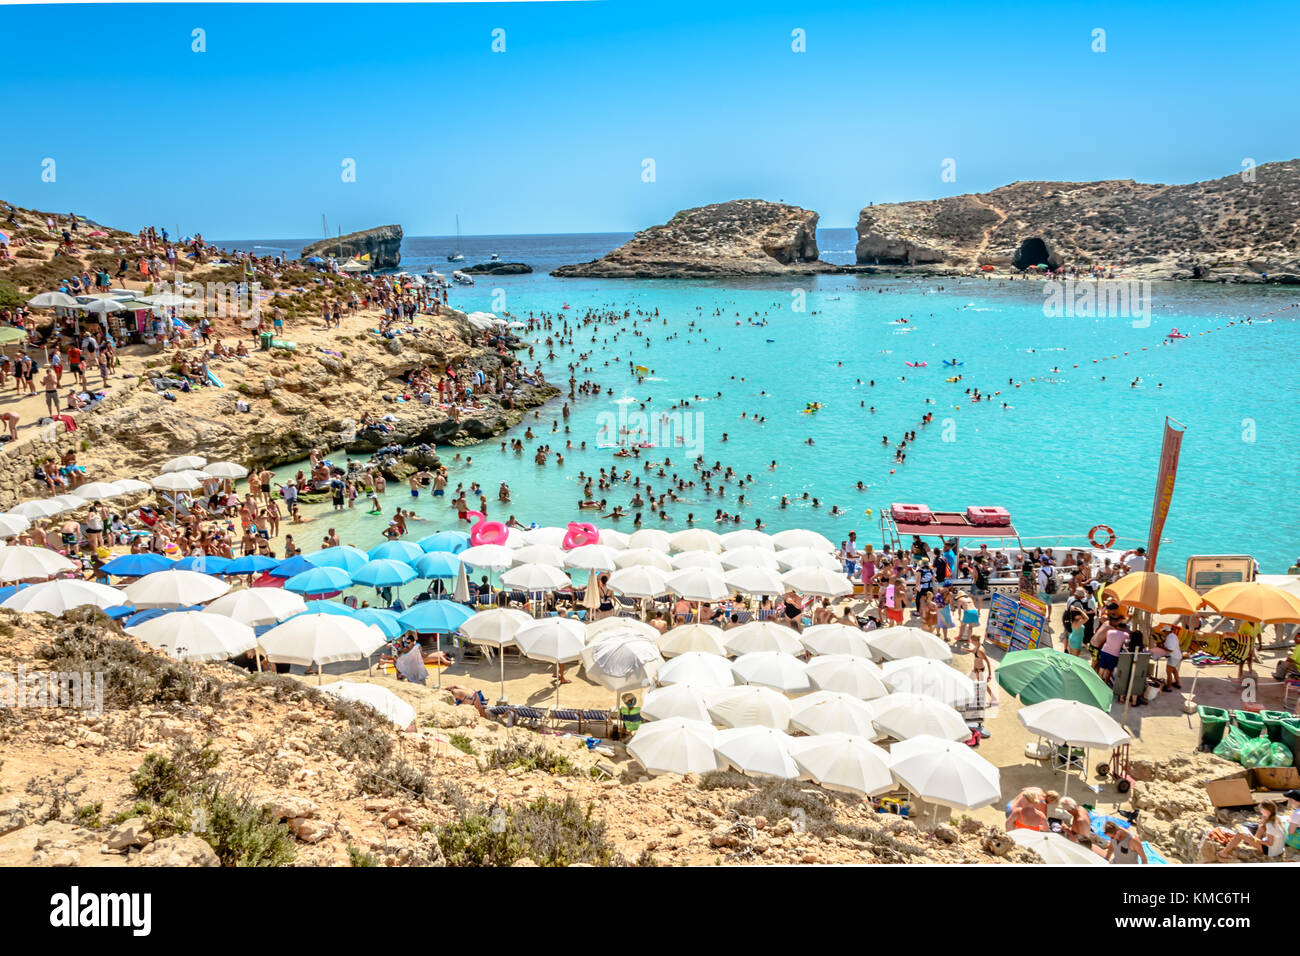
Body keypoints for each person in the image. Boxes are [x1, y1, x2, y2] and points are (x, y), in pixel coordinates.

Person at [1207, 801, 1284, 861]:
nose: (1260, 810)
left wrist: (1255, 840)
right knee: (1260, 827)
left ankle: (1224, 853)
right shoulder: (1276, 818)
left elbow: (1269, 843)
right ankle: (1250, 841)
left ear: (1266, 810)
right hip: (1279, 848)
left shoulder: (1270, 825)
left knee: (1240, 835)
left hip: (1271, 851)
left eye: (1261, 809)